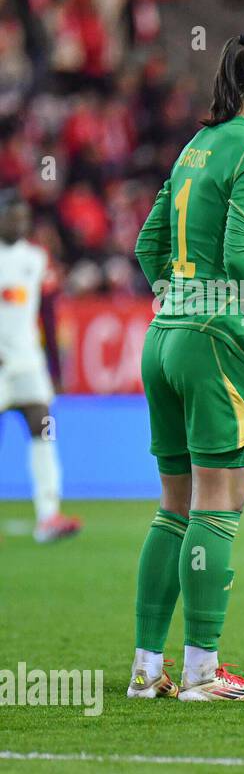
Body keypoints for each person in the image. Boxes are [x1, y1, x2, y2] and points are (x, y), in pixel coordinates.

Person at [128, 31, 244, 702]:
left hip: (167, 336)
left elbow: (150, 243)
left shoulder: (196, 145)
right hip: (218, 342)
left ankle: (148, 671)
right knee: (218, 507)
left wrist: (183, 301)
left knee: (172, 508)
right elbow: (242, 255)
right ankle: (203, 672)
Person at [0, 192, 81, 543]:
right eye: (11, 216)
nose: (18, 223)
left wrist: (54, 369)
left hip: (28, 363)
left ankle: (48, 515)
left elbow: (47, 313)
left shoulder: (35, 257)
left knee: (44, 427)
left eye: (22, 217)